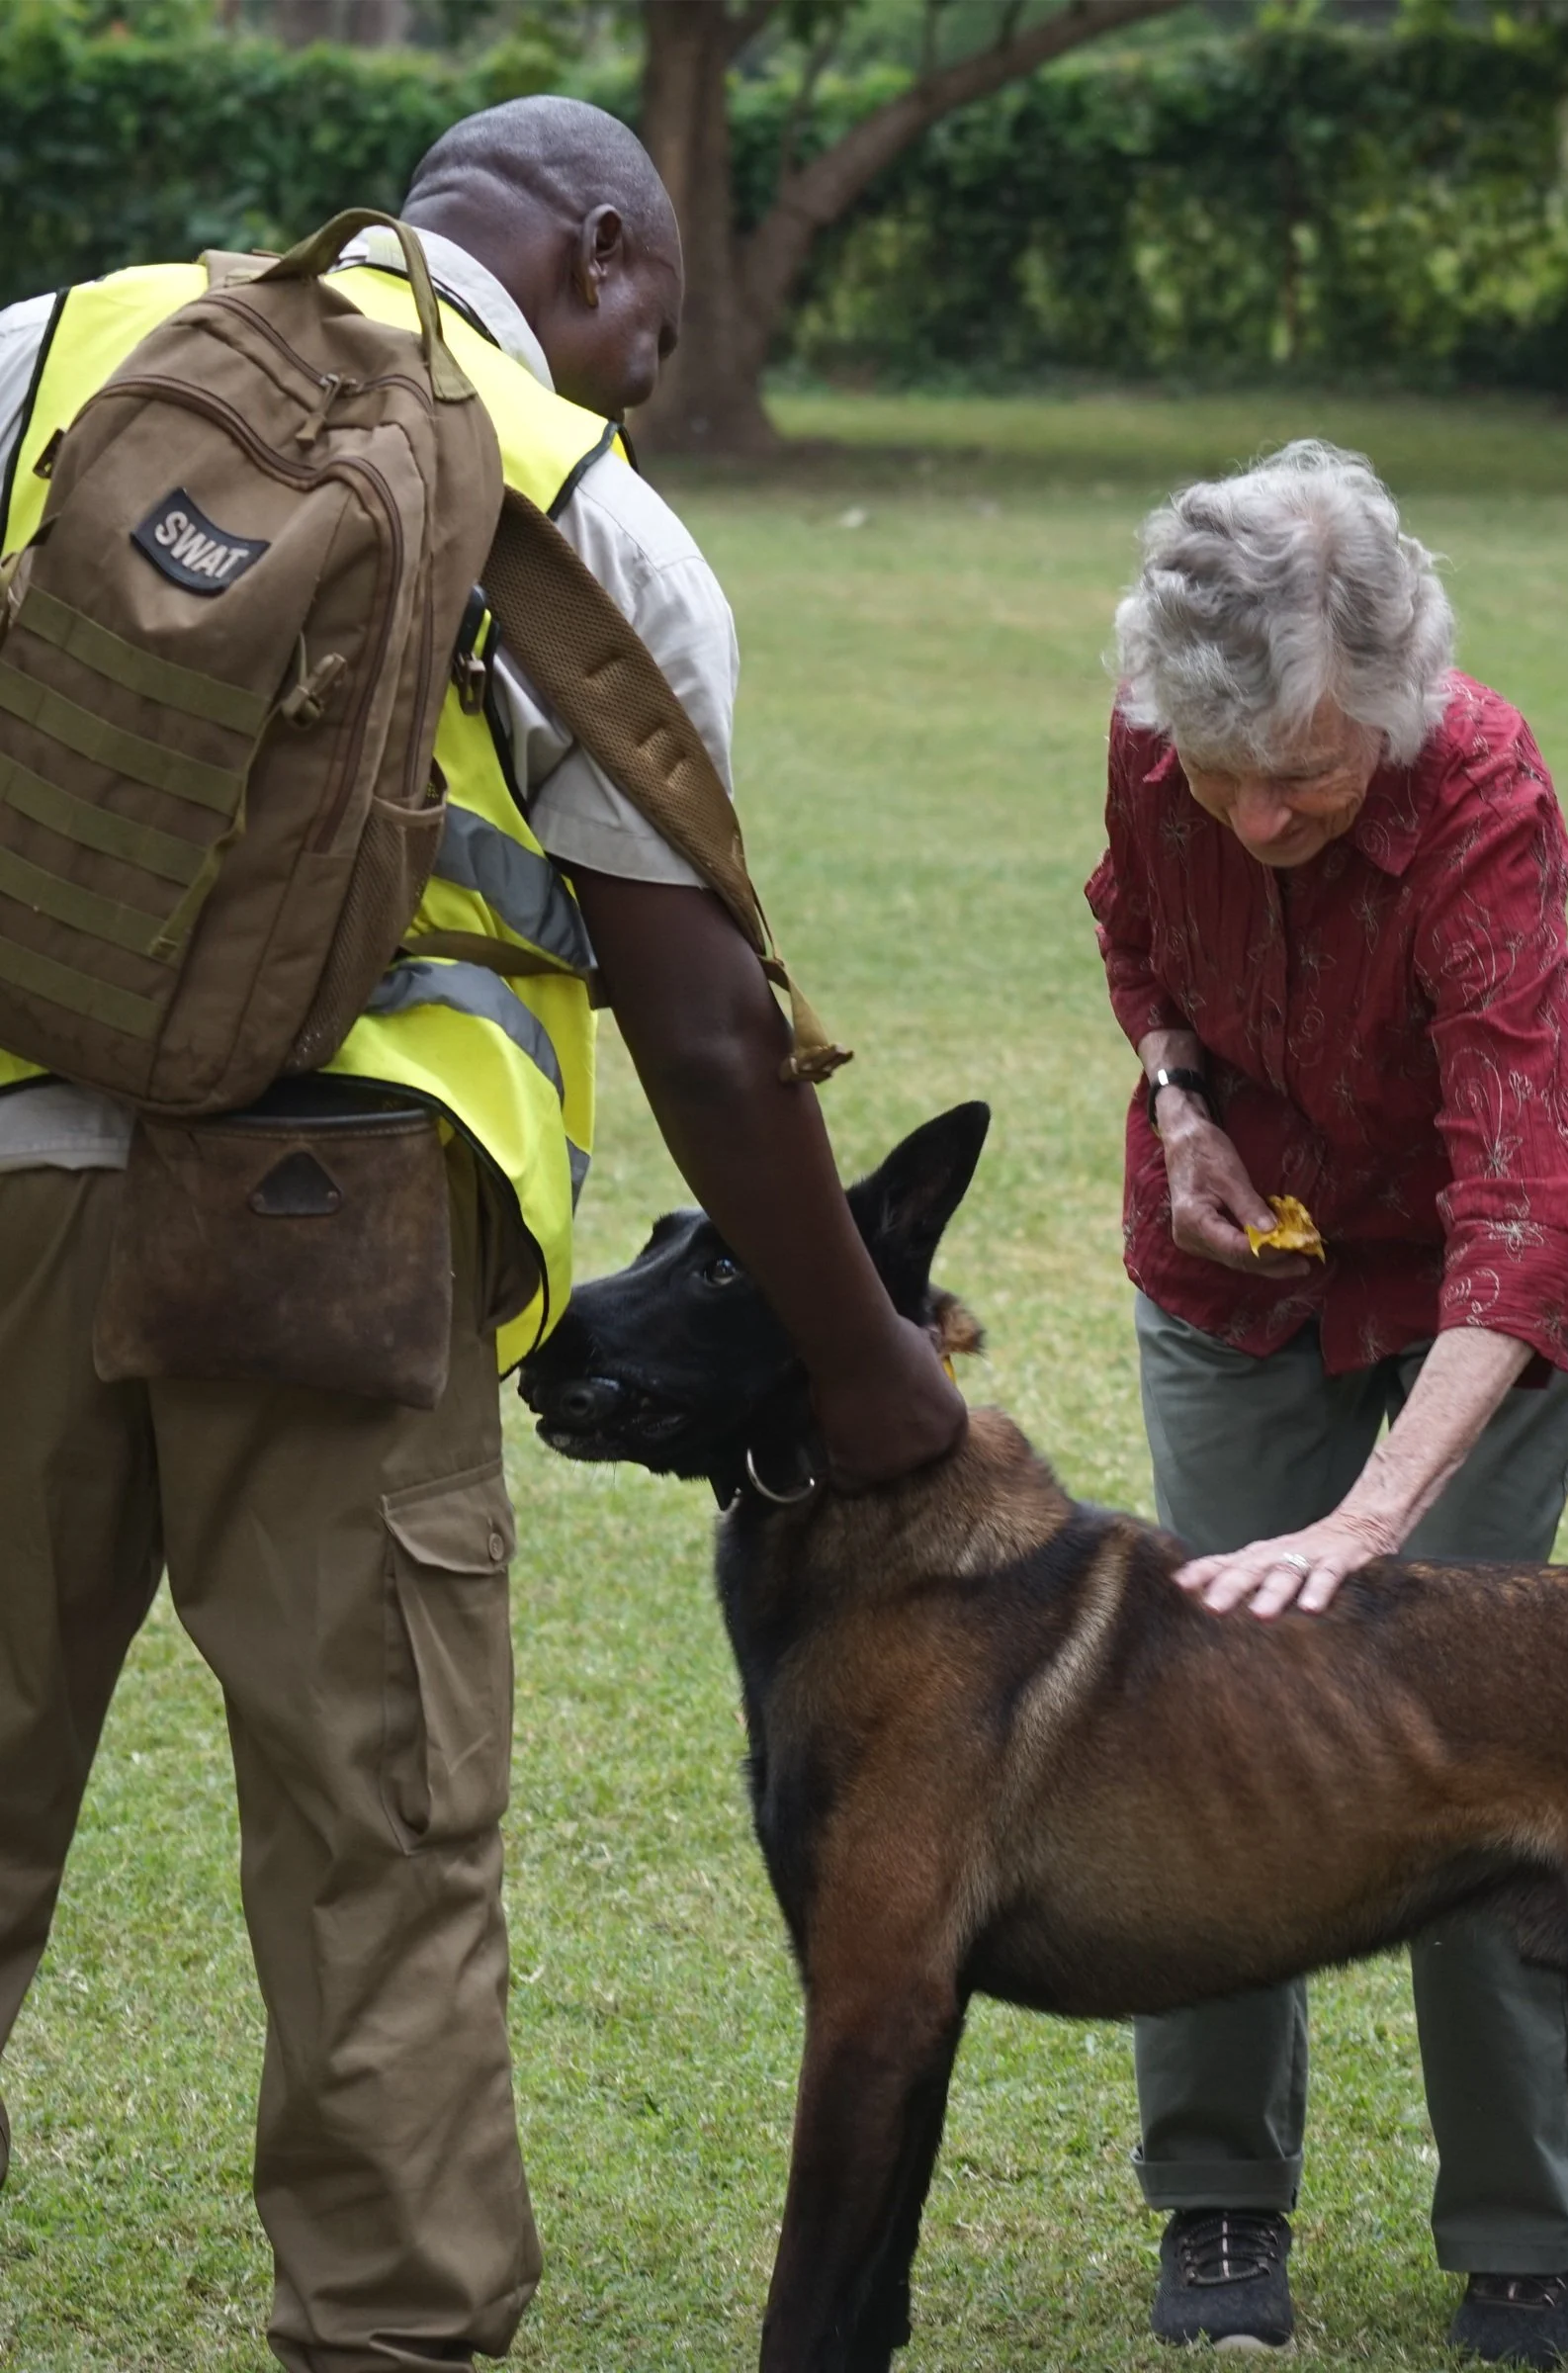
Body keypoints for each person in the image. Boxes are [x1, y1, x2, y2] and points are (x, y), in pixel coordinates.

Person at [0, 97, 963, 2371]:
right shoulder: (582, 505)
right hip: (343, 1223)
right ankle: (394, 2336)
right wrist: (867, 1369)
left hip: (12, 1168)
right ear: (604, 249)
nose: (644, 372)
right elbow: (713, 1042)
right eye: (653, 324)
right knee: (377, 1843)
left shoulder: (63, 341)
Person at [1086, 441, 1568, 2365]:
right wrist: (1181, 1100)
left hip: (1471, 1287)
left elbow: (1525, 1192)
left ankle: (1528, 2224)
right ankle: (1221, 2204)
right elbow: (1137, 931)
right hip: (1239, 1268)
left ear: (1396, 710)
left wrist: (1370, 1525)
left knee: (1465, 1738)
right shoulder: (1166, 739)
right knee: (1209, 1722)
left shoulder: (1480, 783)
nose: (1254, 813)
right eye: (1222, 770)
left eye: (1309, 775)